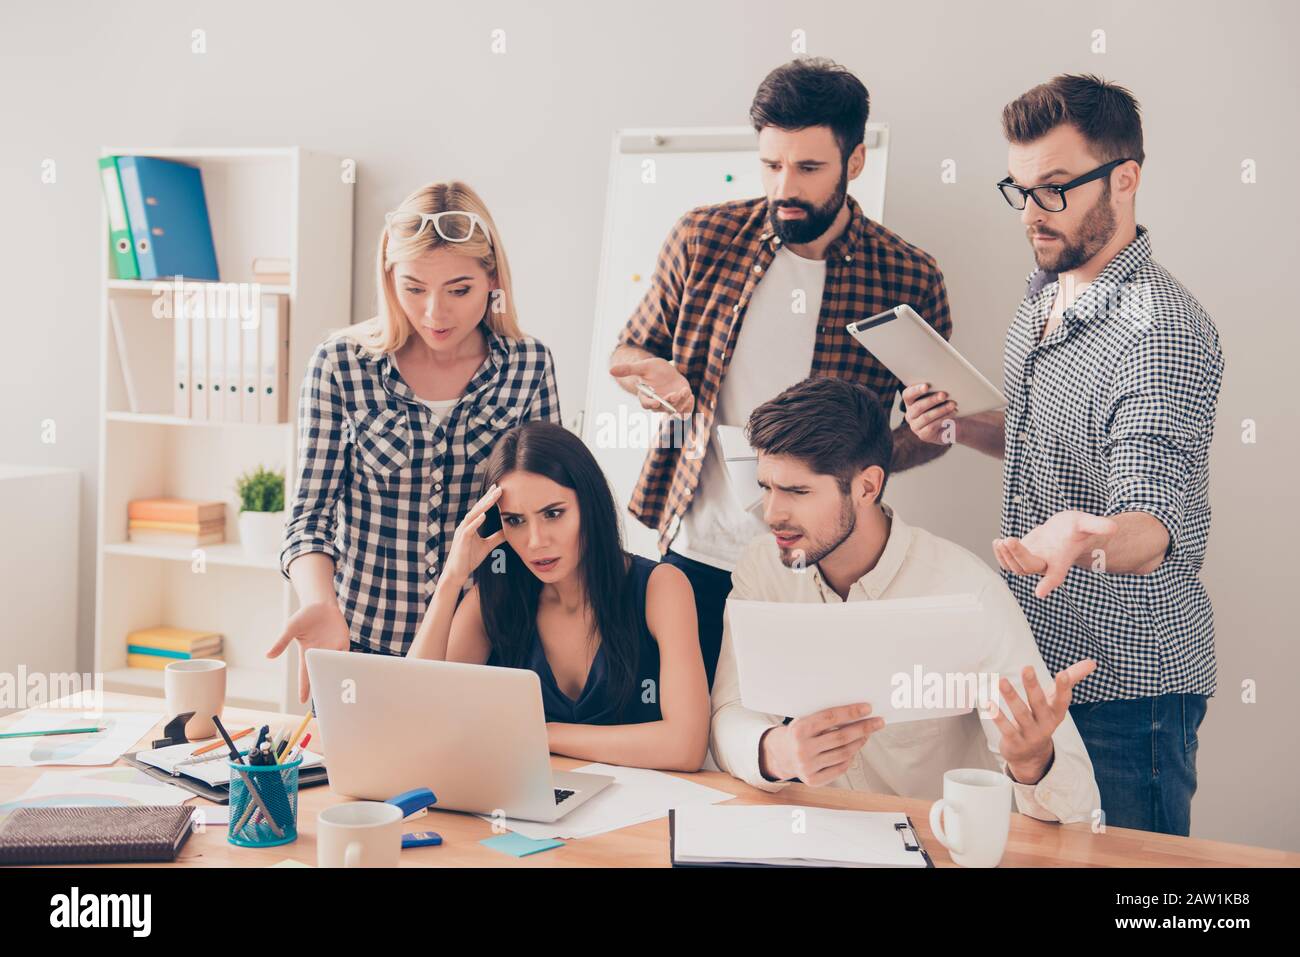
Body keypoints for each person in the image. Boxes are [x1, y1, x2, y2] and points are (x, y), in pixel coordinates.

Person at [903, 75, 1223, 836]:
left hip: (1125, 690)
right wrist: (956, 427)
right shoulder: (1050, 287)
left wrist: (1092, 535)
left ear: (1125, 178)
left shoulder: (1162, 334)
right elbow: (1047, 439)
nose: (1032, 217)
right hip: (1040, 668)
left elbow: (1151, 521)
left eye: (1054, 189)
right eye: (1020, 191)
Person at [609, 57, 953, 689]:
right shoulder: (702, 238)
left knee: (804, 749)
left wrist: (928, 439)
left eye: (809, 167)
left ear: (854, 164)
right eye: (771, 164)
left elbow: (912, 437)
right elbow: (627, 353)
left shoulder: (909, 278)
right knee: (685, 741)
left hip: (824, 567)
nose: (784, 186)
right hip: (694, 551)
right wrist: (653, 378)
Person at [711, 377, 1100, 823]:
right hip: (815, 836)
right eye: (766, 487)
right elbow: (728, 711)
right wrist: (773, 752)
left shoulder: (966, 591)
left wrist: (1032, 763)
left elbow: (1078, 806)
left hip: (934, 845)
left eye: (798, 492)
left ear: (867, 487)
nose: (771, 513)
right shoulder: (762, 568)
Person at [271, 181, 560, 701]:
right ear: (388, 279)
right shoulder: (340, 364)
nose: (434, 313)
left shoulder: (529, 365)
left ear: (492, 279)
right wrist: (321, 604)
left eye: (458, 290)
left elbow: (545, 510)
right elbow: (308, 517)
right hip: (361, 645)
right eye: (414, 288)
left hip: (489, 648)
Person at [407, 421, 709, 773]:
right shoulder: (491, 601)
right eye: (516, 520)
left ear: (589, 505)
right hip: (527, 806)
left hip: (640, 816)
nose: (535, 541)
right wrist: (451, 579)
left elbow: (686, 746)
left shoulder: (661, 588)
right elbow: (418, 721)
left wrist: (542, 733)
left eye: (553, 514)